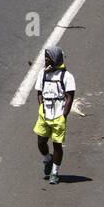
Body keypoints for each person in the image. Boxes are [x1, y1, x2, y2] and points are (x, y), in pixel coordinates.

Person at [34, 45, 77, 184]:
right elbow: (39, 92)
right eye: (45, 58)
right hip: (45, 114)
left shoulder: (67, 76)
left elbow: (70, 97)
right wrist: (41, 106)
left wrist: (64, 114)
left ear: (55, 59)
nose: (45, 61)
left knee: (57, 144)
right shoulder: (43, 73)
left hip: (59, 115)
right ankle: (47, 159)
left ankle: (55, 172)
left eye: (48, 58)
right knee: (41, 141)